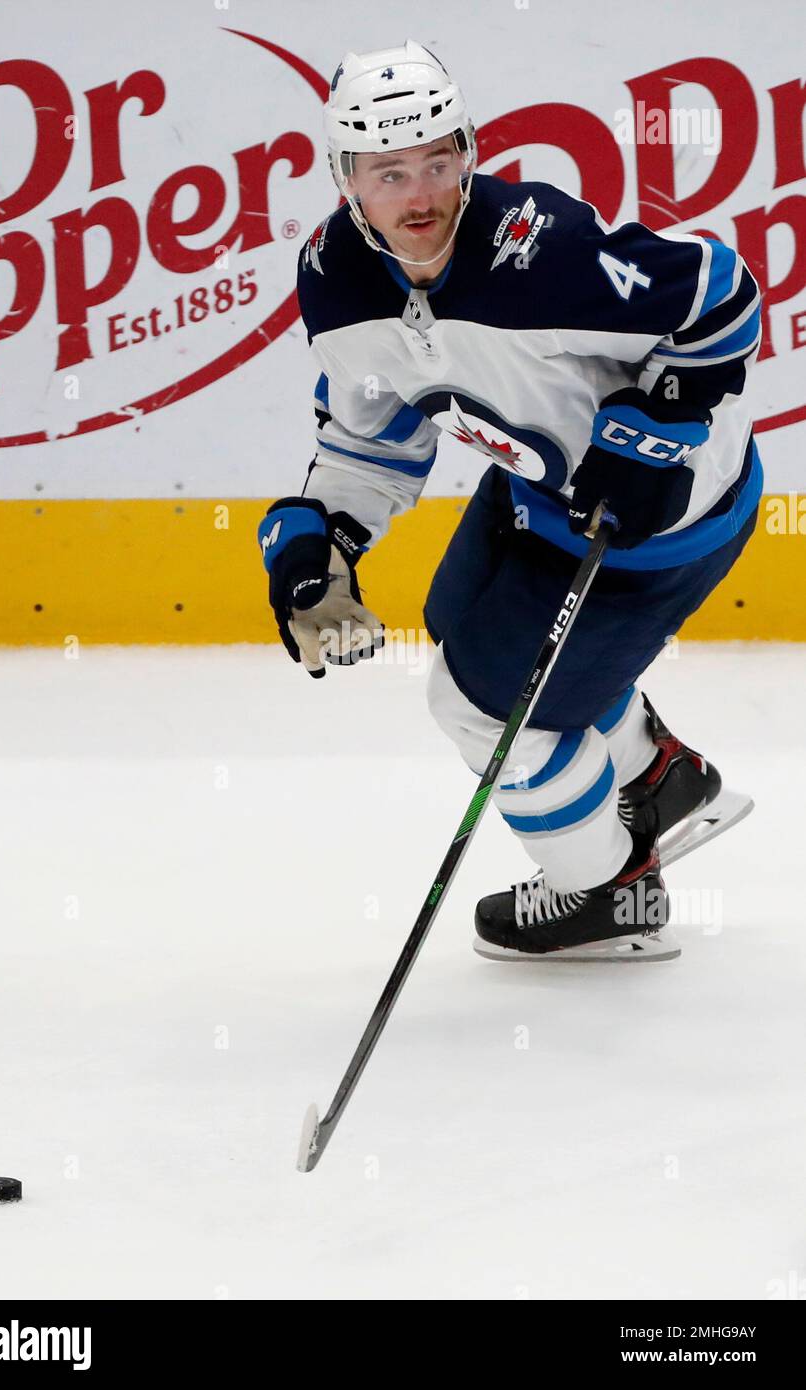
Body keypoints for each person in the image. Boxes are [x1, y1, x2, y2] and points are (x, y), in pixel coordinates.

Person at [257, 41, 762, 962]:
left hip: (659, 523)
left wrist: (654, 434)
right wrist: (319, 545)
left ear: (470, 151)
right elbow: (373, 438)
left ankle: (609, 891)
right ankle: (658, 779)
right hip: (539, 490)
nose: (420, 197)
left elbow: (723, 299)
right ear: (346, 177)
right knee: (456, 619)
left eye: (440, 163)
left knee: (481, 707)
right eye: (389, 172)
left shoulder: (545, 253)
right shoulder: (333, 279)